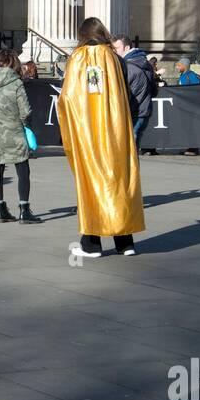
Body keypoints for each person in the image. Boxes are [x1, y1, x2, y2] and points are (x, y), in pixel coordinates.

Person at [58, 17, 144, 257]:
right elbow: (126, 92)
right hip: (116, 129)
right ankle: (125, 242)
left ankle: (91, 243)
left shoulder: (78, 58)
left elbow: (68, 98)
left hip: (89, 131)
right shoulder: (115, 58)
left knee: (91, 182)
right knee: (118, 180)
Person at [0, 48, 39, 223]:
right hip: (15, 132)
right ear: (13, 64)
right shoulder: (16, 83)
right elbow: (25, 111)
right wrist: (24, 124)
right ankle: (24, 210)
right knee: (22, 169)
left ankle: (0, 209)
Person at [113, 35, 157, 152]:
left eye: (116, 48)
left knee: (129, 149)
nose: (114, 51)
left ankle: (130, 170)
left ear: (126, 48)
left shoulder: (128, 67)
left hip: (133, 112)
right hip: (143, 111)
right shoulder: (144, 62)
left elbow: (123, 95)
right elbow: (154, 91)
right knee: (133, 146)